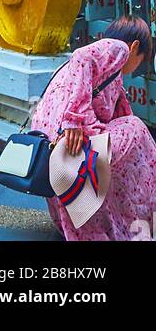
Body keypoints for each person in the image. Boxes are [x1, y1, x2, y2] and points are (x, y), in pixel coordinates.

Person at [32, 15, 156, 241]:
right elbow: (81, 55)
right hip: (66, 138)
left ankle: (119, 224)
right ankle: (146, 217)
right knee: (138, 129)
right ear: (134, 47)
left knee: (127, 150)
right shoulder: (119, 50)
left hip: (51, 142)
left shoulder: (105, 73)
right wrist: (74, 118)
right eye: (141, 60)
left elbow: (118, 115)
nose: (135, 68)